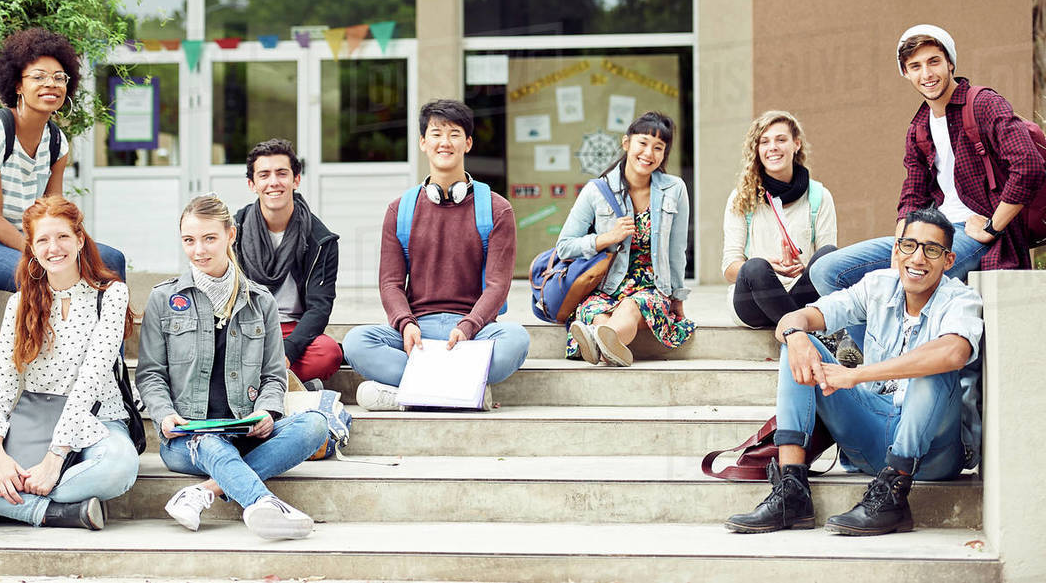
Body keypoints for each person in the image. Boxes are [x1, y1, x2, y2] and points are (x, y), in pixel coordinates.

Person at [725, 208, 983, 536]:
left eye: (931, 250)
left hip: (934, 452)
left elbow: (953, 352)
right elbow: (798, 319)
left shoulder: (960, 299)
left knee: (935, 366)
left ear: (948, 261)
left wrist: (856, 375)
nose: (917, 258)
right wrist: (796, 334)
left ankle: (893, 496)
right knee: (797, 344)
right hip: (870, 436)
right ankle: (792, 489)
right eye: (909, 246)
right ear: (896, 250)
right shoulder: (877, 286)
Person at [0, 196, 139, 530]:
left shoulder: (111, 295)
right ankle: (47, 511)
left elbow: (91, 380)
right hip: (30, 423)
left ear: (79, 239)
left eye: (62, 237)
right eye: (42, 240)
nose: (54, 248)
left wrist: (54, 459)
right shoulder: (20, 303)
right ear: (31, 248)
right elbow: (2, 384)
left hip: (97, 418)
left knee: (118, 467)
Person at [136, 194, 329, 539]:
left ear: (230, 234)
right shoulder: (164, 299)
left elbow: (274, 374)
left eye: (209, 238)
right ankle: (263, 504)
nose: (199, 251)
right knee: (209, 441)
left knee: (314, 425)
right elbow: (150, 374)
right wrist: (165, 415)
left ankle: (206, 491)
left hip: (245, 433)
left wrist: (267, 412)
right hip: (187, 437)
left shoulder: (260, 301)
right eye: (189, 240)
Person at [810, 24, 1045, 294]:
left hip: (973, 234)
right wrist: (901, 247)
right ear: (906, 74)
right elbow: (912, 198)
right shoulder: (919, 128)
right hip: (927, 233)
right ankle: (874, 339)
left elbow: (1028, 165)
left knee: (902, 284)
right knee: (826, 271)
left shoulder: (983, 103)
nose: (927, 74)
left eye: (934, 62)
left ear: (950, 64)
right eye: (915, 66)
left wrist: (993, 227)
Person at [341, 99, 530, 411]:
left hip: (474, 332)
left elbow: (498, 285)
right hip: (418, 330)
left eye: (454, 134)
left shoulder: (497, 209)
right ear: (422, 142)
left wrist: (469, 326)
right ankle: (464, 389)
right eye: (436, 133)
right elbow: (390, 283)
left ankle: (414, 393)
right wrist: (406, 324)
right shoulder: (399, 210)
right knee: (356, 342)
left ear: (468, 143)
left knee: (516, 339)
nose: (445, 142)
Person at [0, 28, 127, 291]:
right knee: (39, 272)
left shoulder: (56, 142)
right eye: (39, 77)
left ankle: (105, 333)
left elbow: (55, 214)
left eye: (59, 77)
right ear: (18, 85)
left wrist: (74, 245)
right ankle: (51, 334)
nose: (51, 84)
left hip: (17, 238)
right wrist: (47, 253)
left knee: (111, 260)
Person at [556, 111, 694, 367]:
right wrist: (607, 237)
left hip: (651, 286)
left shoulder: (674, 190)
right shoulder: (596, 191)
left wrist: (677, 298)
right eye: (643, 143)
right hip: (607, 287)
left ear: (664, 154)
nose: (649, 153)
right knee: (595, 312)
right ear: (626, 143)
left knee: (632, 306)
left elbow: (677, 250)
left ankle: (594, 345)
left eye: (658, 147)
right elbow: (564, 247)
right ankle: (605, 343)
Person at [233, 138, 343, 387]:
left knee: (328, 353)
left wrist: (287, 352)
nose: (274, 182)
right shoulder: (234, 232)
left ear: (296, 180)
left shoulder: (321, 239)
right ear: (252, 184)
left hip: (293, 330)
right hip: (247, 326)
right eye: (264, 175)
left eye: (282, 173)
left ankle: (259, 382)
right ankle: (289, 383)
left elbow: (319, 308)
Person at [721, 111, 839, 328]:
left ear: (796, 144)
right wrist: (769, 268)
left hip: (802, 295)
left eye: (781, 140)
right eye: (764, 142)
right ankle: (805, 332)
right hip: (754, 301)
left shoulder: (819, 196)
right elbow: (729, 269)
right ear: (757, 150)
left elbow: (829, 268)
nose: (772, 147)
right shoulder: (742, 197)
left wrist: (803, 267)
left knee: (829, 255)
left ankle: (793, 329)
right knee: (755, 267)